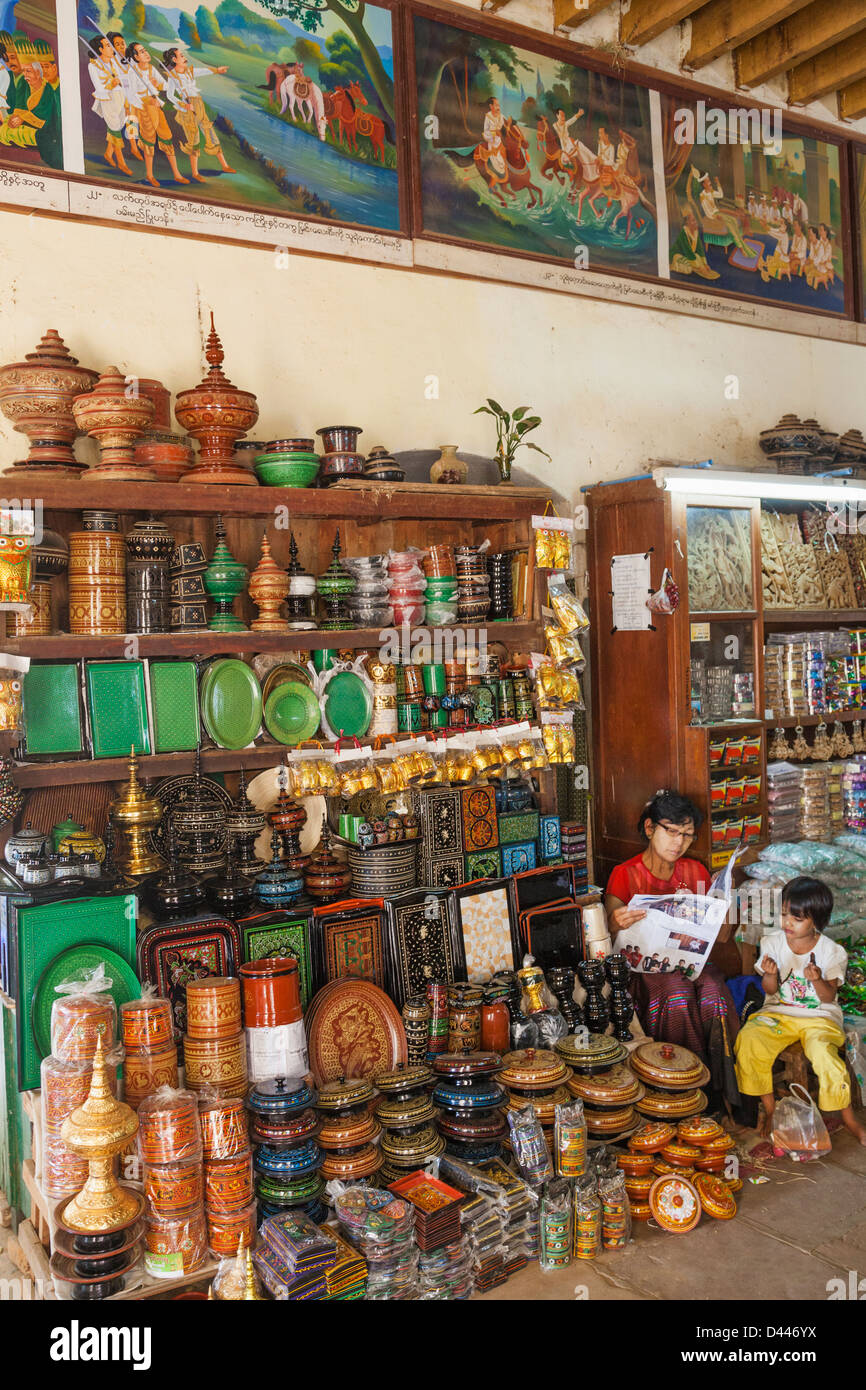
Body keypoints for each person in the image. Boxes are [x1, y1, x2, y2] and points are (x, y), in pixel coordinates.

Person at [605, 789, 741, 1105]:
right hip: (645, 971)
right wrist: (618, 920)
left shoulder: (694, 871)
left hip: (688, 963)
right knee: (677, 994)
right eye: (672, 831)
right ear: (651, 828)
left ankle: (719, 1090)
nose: (678, 843)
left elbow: (720, 937)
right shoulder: (625, 874)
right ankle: (679, 1089)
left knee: (714, 994)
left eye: (687, 836)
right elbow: (610, 928)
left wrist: (725, 905)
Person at [735, 876, 865, 1145]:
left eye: (797, 918)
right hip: (779, 1012)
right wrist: (769, 974)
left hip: (819, 1017)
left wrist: (816, 979)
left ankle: (849, 1119)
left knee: (824, 1055)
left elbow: (828, 997)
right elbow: (770, 990)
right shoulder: (772, 942)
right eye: (784, 915)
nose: (787, 923)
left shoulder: (832, 951)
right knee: (748, 1040)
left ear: (816, 920)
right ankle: (771, 1109)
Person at [162, 45, 235, 180]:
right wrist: (184, 105)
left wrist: (217, 70)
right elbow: (170, 96)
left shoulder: (189, 71)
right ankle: (195, 173)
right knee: (193, 138)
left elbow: (203, 71)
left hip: (199, 104)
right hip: (187, 109)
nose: (184, 58)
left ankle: (224, 165)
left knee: (210, 132)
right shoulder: (172, 77)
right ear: (174, 59)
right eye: (181, 56)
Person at [124, 42, 189, 187]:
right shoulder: (132, 72)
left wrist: (170, 83)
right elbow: (131, 96)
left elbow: (163, 85)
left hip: (156, 108)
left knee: (167, 137)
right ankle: (149, 176)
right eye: (141, 52)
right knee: (149, 141)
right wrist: (146, 100)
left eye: (145, 50)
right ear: (135, 57)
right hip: (143, 110)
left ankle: (177, 174)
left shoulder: (151, 69)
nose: (146, 53)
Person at [87, 33, 131, 174]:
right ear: (100, 49)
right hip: (108, 99)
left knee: (117, 126)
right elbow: (99, 88)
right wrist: (111, 84)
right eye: (107, 45)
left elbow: (123, 82)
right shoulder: (93, 66)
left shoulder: (113, 63)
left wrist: (126, 100)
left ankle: (107, 154)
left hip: (120, 97)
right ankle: (122, 163)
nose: (111, 48)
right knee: (114, 129)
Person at [670, 209, 719, 280]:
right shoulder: (684, 233)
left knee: (698, 257)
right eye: (693, 221)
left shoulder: (695, 232)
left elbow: (699, 249)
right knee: (688, 269)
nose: (696, 223)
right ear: (687, 222)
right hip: (677, 255)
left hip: (689, 255)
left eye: (695, 220)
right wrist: (700, 267)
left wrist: (705, 264)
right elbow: (688, 251)